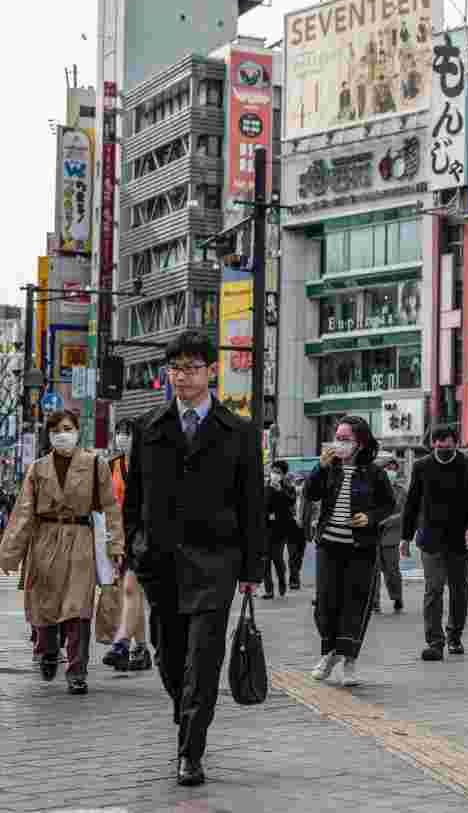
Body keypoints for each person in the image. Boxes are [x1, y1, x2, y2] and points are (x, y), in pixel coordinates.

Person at [122, 330, 265, 787]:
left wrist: (251, 569)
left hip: (216, 561)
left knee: (203, 659)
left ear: (211, 372)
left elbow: (252, 504)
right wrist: (135, 549)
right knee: (170, 657)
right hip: (160, 561)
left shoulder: (239, 432)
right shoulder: (147, 428)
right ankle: (185, 713)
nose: (182, 376)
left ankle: (191, 751)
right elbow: (134, 500)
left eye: (192, 368)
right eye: (176, 368)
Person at [0, 410, 123, 695]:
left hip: (81, 541)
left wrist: (115, 545)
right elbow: (23, 512)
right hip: (44, 541)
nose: (62, 435)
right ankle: (47, 651)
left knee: (79, 609)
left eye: (67, 428)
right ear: (50, 436)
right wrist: (10, 553)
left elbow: (110, 507)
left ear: (77, 430)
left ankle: (77, 671)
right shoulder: (38, 468)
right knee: (44, 604)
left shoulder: (95, 465)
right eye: (56, 431)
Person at [306, 416, 396, 687]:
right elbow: (311, 494)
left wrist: (369, 518)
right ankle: (329, 653)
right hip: (329, 546)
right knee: (325, 603)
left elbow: (388, 506)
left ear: (360, 443)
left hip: (361, 548)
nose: (340, 443)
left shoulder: (374, 472)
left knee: (355, 604)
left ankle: (349, 662)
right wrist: (319, 469)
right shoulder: (329, 467)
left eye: (346, 439)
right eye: (338, 438)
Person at [401, 426, 468, 662]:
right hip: (431, 539)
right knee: (434, 589)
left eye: (446, 443)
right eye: (436, 444)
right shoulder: (422, 466)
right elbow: (412, 503)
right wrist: (405, 537)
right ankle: (435, 642)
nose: (441, 447)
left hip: (460, 539)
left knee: (459, 589)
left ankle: (455, 635)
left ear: (455, 443)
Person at [102, 419, 151, 673]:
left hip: (145, 538)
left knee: (132, 590)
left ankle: (124, 644)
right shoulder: (113, 466)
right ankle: (139, 648)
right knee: (131, 592)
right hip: (121, 537)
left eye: (128, 433)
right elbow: (107, 505)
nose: (123, 438)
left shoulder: (151, 466)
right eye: (119, 433)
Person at [372, 458, 406, 614]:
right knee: (373, 571)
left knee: (392, 571)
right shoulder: (373, 489)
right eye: (388, 468)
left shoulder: (401, 491)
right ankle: (374, 601)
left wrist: (390, 520)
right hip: (373, 535)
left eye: (393, 469)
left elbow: (406, 514)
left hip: (391, 536)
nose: (391, 472)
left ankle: (397, 596)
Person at [263, 460, 298, 600]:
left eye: (278, 472)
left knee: (277, 559)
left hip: (280, 530)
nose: (274, 475)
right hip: (266, 529)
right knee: (265, 560)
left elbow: (291, 502)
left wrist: (280, 490)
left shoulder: (288, 487)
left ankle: (282, 582)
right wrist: (270, 490)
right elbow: (262, 505)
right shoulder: (266, 487)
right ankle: (269, 590)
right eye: (273, 471)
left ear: (283, 474)